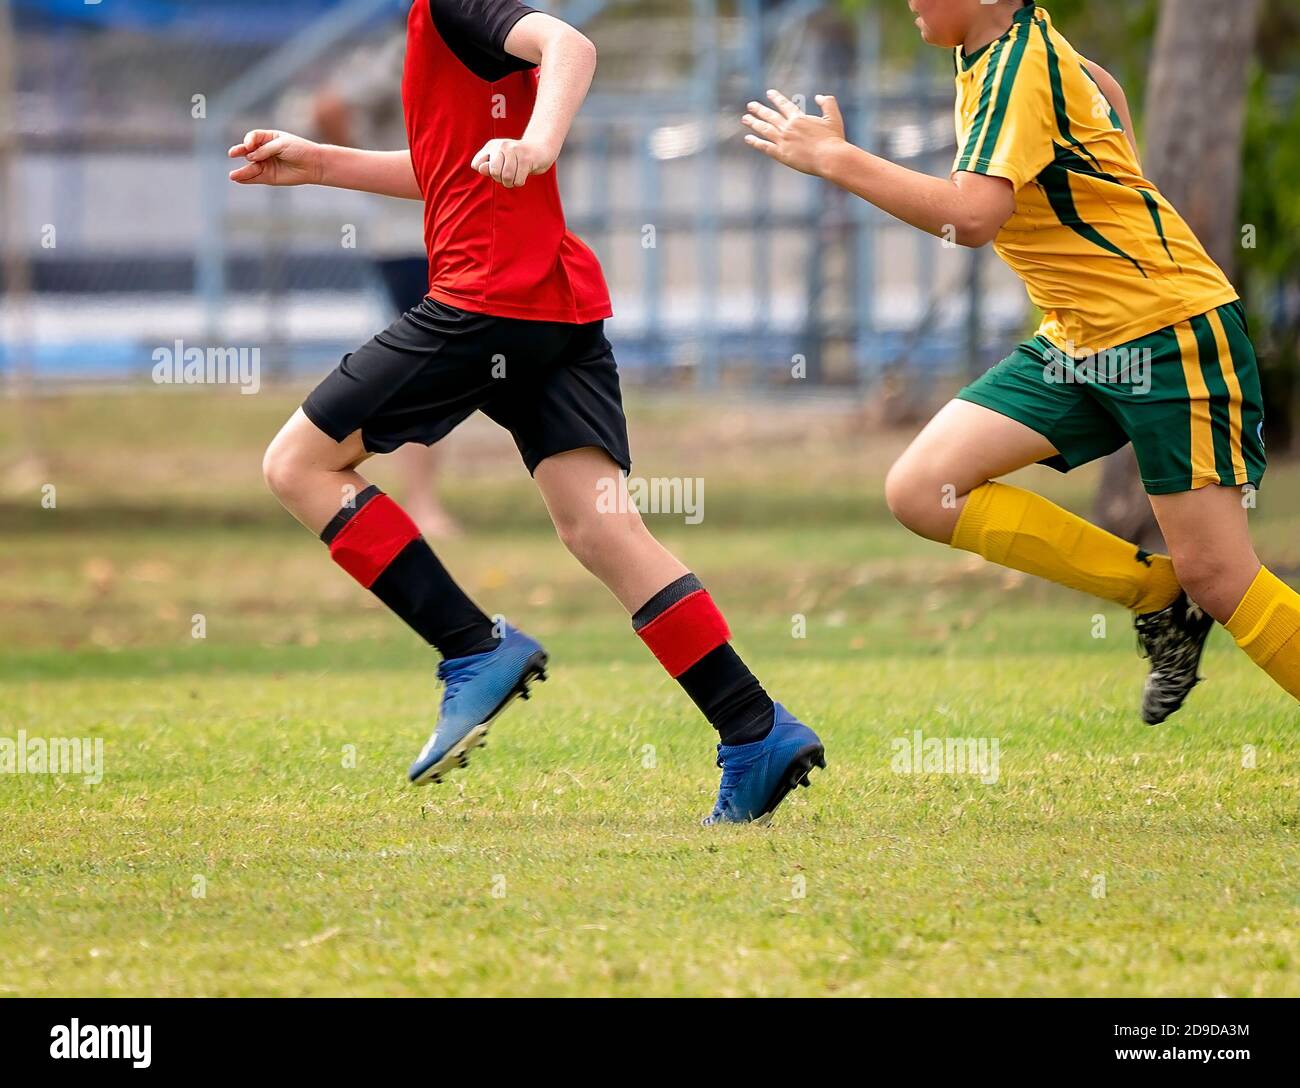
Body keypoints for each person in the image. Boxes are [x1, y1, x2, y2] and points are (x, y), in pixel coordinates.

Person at [228, 0, 825, 823]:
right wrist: (324, 162)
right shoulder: (437, 25)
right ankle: (755, 729)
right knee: (604, 530)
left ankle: (473, 648)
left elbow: (568, 44)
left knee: (298, 464)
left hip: (486, 300)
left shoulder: (454, 4)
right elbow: (453, 165)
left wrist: (539, 145)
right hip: (553, 306)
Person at [743, 0, 1298, 715]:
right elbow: (1105, 94)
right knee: (924, 489)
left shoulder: (1016, 62)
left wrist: (837, 159)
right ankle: (1156, 594)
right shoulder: (997, 48)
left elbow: (971, 217)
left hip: (1166, 333)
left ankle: (1185, 590)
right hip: (1079, 341)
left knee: (1221, 575)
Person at [312, 28, 461, 539]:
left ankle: (419, 502)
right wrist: (371, 166)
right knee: (430, 374)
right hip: (418, 238)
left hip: (447, 233)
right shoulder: (411, 46)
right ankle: (420, 504)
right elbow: (330, 107)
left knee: (450, 373)